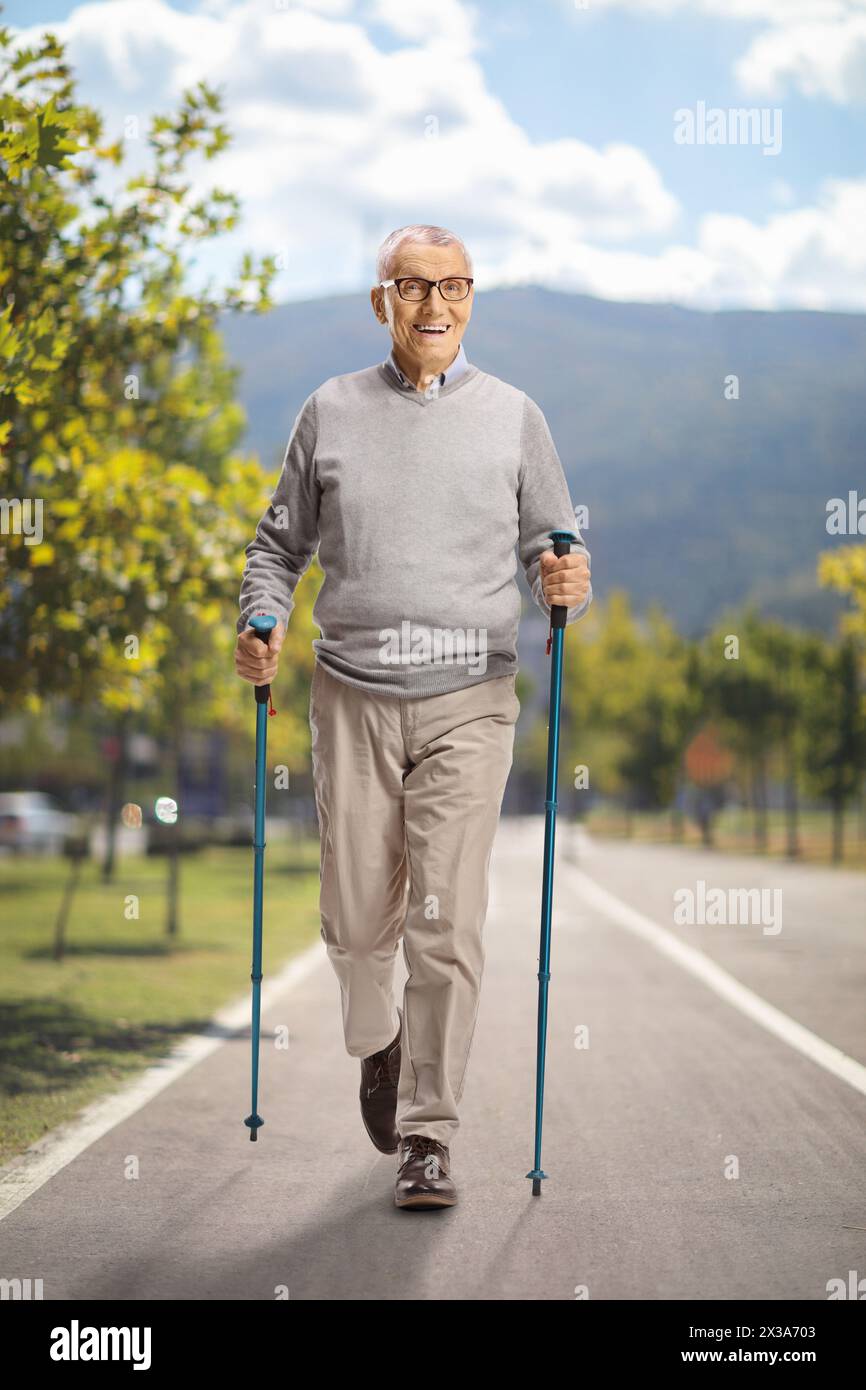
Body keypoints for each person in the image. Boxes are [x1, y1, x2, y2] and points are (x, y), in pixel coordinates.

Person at [235, 224, 592, 1210]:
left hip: (469, 701)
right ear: (380, 300)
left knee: (444, 922)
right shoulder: (330, 411)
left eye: (455, 288)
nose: (435, 307)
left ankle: (427, 1135)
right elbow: (277, 548)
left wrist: (565, 578)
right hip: (349, 693)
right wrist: (259, 615)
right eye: (414, 287)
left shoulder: (515, 418)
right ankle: (375, 1039)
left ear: (471, 298)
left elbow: (551, 550)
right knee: (356, 924)